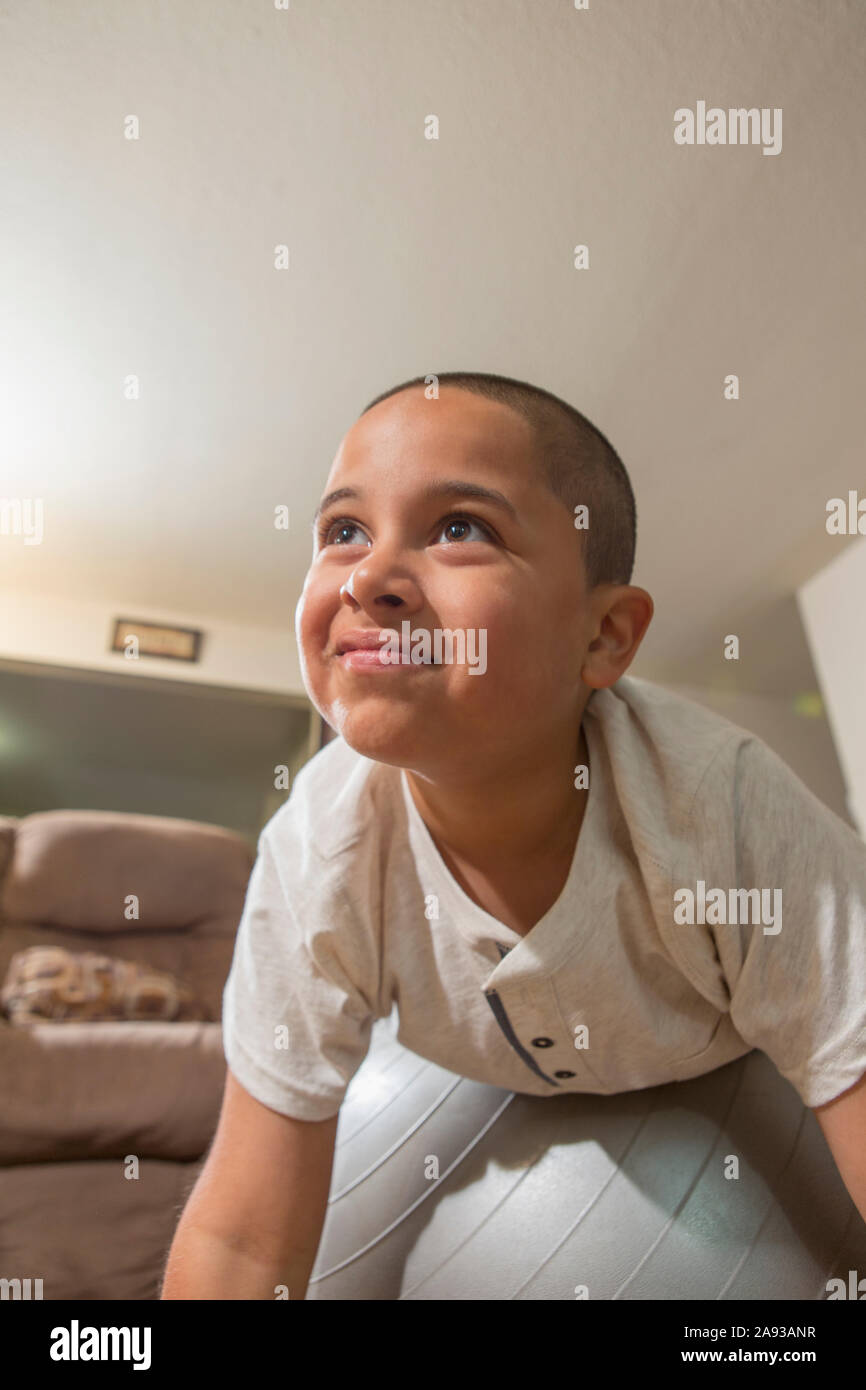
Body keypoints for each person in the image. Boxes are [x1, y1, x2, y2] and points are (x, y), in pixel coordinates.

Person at [161, 372, 866, 1300]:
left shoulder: (720, 808)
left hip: (734, 1077)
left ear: (603, 636)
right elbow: (243, 1243)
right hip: (465, 1080)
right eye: (343, 532)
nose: (368, 577)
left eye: (460, 527)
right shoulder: (312, 856)